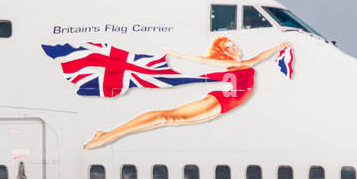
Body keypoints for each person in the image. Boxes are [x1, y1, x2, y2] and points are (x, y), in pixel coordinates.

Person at [82, 37, 292, 150]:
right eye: (230, 46)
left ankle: (107, 135)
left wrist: (277, 46)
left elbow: (259, 57)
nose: (235, 47)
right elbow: (203, 61)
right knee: (165, 117)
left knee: (166, 117)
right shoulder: (227, 63)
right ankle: (107, 136)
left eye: (234, 44)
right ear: (225, 52)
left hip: (222, 102)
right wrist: (178, 55)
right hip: (220, 102)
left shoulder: (243, 63)